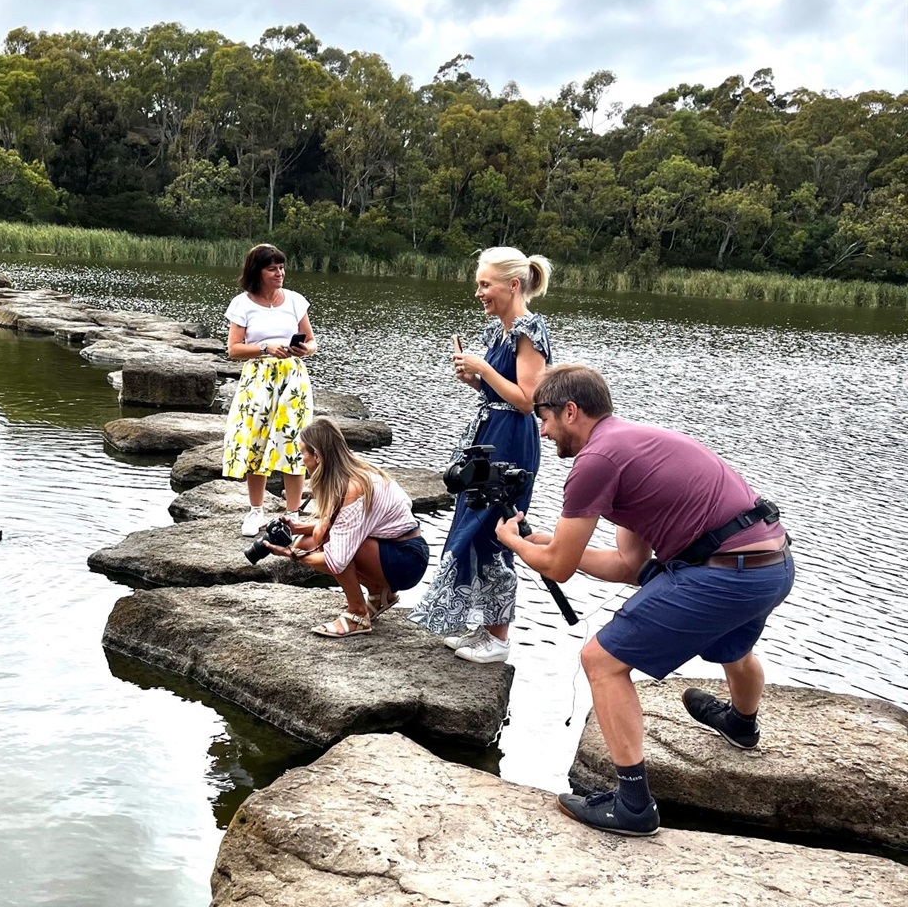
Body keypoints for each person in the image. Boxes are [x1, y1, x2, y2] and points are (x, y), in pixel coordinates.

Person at [496, 362, 795, 838]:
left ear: (570, 411)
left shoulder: (594, 462)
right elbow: (629, 564)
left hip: (725, 576)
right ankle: (741, 724)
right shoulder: (630, 444)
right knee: (731, 645)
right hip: (771, 565)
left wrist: (515, 543)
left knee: (601, 660)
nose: (544, 431)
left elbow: (558, 568)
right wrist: (551, 540)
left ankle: (633, 804)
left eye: (545, 418)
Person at [411, 247, 553, 664]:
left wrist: (485, 371)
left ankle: (499, 637)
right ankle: (482, 627)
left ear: (513, 285)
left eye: (485, 284)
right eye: (479, 284)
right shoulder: (499, 330)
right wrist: (474, 379)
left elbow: (529, 400)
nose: (479, 293)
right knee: (472, 524)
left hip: (512, 441)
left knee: (496, 528)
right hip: (489, 431)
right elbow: (499, 393)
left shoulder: (529, 331)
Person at [264, 417, 429, 638]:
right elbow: (339, 523)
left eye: (303, 453)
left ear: (318, 457)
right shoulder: (352, 469)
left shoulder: (352, 489)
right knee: (310, 540)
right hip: (400, 548)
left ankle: (358, 614)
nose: (301, 460)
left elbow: (337, 559)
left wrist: (292, 554)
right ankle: (380, 594)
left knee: (327, 545)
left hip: (406, 560)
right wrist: (297, 528)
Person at [223, 244, 317, 537]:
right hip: (259, 378)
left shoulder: (295, 301)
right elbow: (233, 349)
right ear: (258, 271)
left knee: (293, 443)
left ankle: (292, 514)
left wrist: (302, 349)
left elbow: (313, 343)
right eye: (272, 268)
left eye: (282, 267)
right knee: (256, 442)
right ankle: (255, 511)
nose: (280, 274)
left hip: (293, 378)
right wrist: (265, 347)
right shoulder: (243, 303)